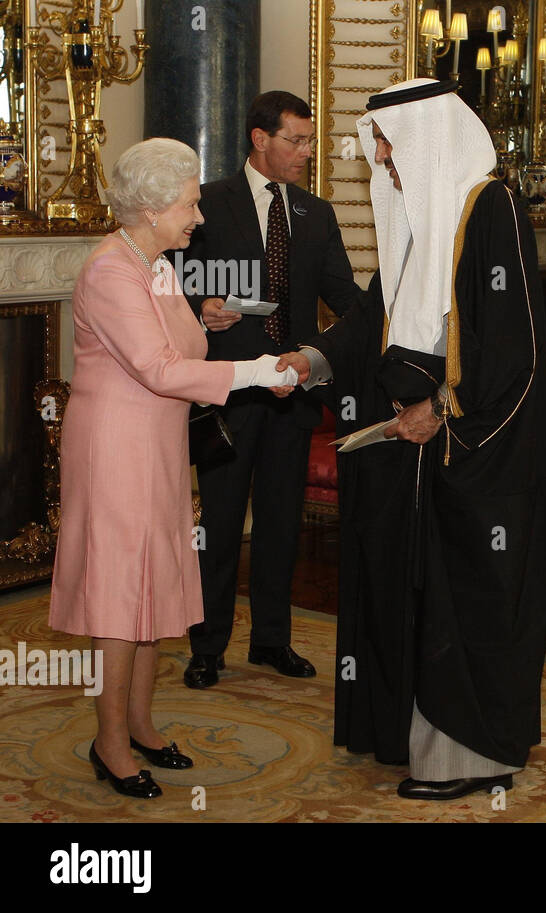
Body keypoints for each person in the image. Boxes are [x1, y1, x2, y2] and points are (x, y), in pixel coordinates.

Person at [277, 78, 546, 801]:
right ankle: (411, 737)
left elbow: (514, 349)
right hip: (417, 455)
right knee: (412, 595)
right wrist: (311, 360)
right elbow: (377, 315)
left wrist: (442, 408)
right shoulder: (422, 223)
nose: (388, 168)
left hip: (477, 453)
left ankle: (472, 756)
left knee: (465, 601)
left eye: (394, 151)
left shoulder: (489, 209)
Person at [48, 138, 298, 798]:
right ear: (154, 205)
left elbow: (177, 345)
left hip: (159, 443)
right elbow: (158, 369)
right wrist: (256, 371)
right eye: (189, 204)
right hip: (116, 448)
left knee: (156, 582)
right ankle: (109, 742)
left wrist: (209, 319)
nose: (198, 216)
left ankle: (140, 723)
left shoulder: (155, 263)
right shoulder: (110, 269)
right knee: (120, 594)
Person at [181, 91, 360, 690]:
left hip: (293, 390)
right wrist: (200, 307)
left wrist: (394, 319)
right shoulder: (205, 204)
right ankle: (206, 646)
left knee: (282, 522)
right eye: (297, 141)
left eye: (310, 141)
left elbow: (347, 300)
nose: (308, 152)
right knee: (222, 524)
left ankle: (272, 641)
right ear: (261, 140)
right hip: (229, 391)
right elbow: (168, 285)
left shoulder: (316, 213)